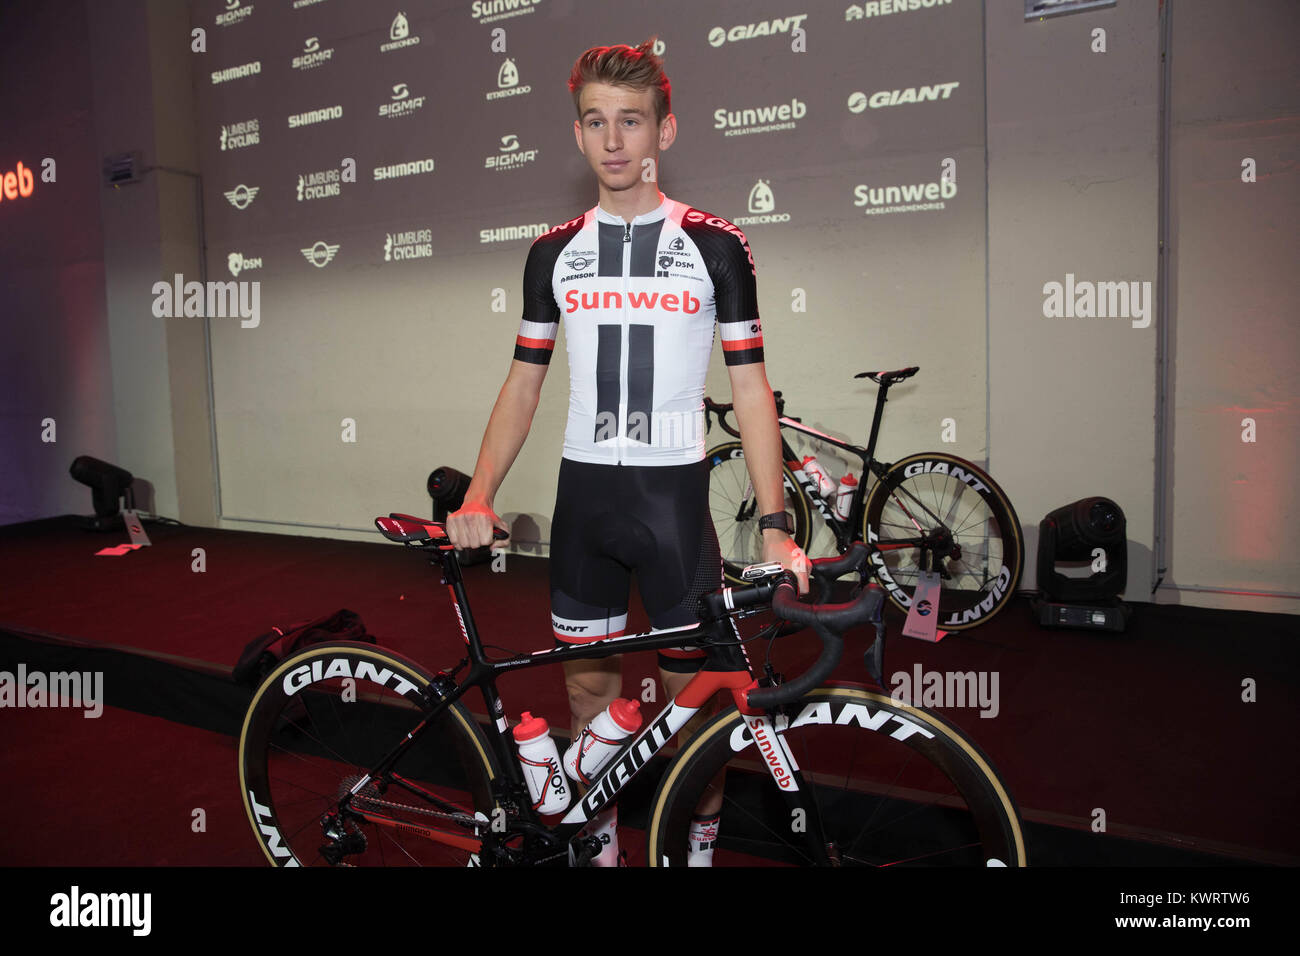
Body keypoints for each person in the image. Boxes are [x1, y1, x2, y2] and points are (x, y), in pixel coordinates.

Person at [446, 39, 807, 866]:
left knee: (699, 717)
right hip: (586, 505)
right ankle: (596, 853)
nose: (614, 141)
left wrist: (778, 526)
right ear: (578, 136)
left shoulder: (716, 245)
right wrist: (478, 496)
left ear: (664, 133)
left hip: (673, 506)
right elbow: (523, 386)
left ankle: (697, 855)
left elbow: (752, 392)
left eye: (631, 122)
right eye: (597, 122)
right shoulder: (554, 252)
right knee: (588, 701)